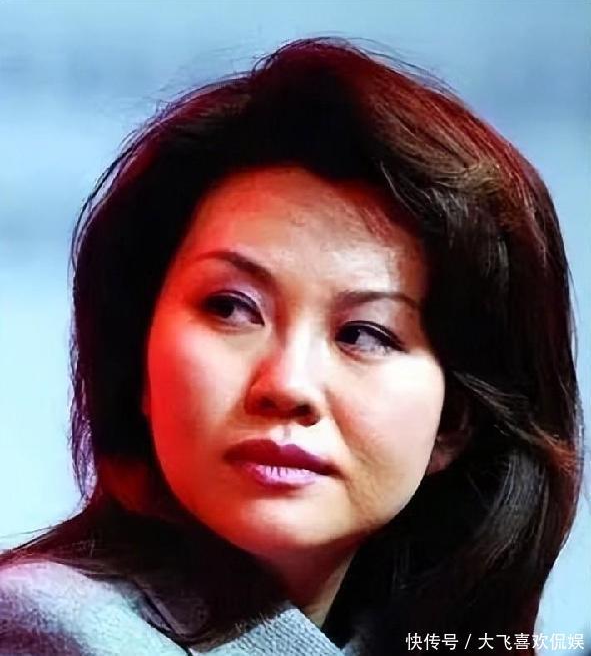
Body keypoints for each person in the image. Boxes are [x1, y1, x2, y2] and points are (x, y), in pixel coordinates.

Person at [0, 37, 583, 655]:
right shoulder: (55, 630)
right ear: (138, 356)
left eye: (364, 334)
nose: (287, 384)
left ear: (455, 422)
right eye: (231, 308)